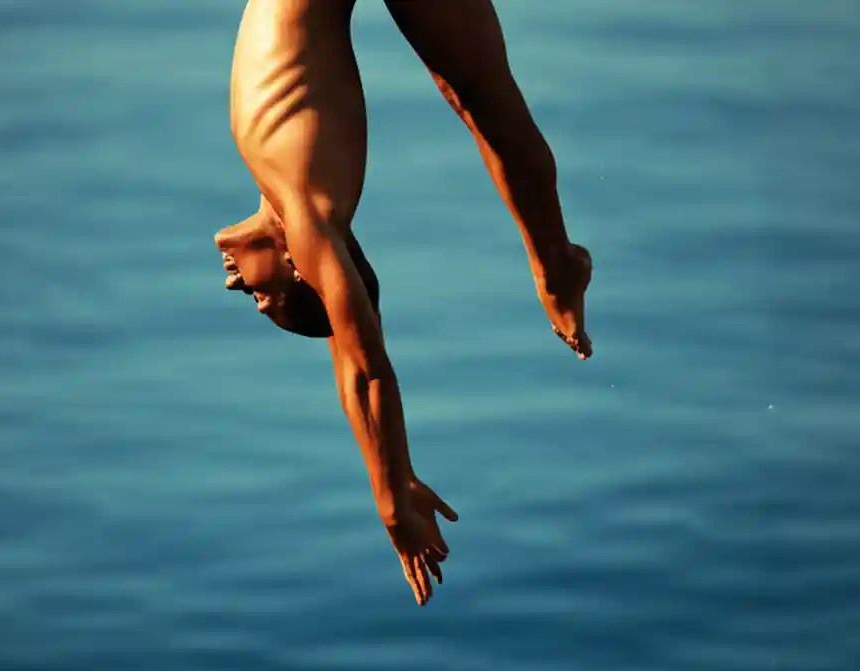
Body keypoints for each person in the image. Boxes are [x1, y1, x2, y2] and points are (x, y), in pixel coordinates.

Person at [214, 0, 592, 605]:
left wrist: (390, 475)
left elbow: (349, 354)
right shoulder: (304, 209)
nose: (235, 284)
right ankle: (556, 266)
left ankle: (557, 265)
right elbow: (365, 368)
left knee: (477, 97)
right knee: (478, 97)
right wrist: (392, 501)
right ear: (298, 268)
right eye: (264, 299)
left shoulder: (299, 200)